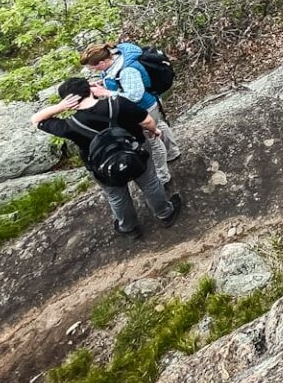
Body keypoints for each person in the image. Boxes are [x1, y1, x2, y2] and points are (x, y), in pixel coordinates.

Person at [30, 76, 182, 239]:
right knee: (150, 182)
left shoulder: (69, 125)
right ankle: (165, 214)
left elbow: (35, 119)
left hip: (101, 165)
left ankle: (129, 228)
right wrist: (154, 131)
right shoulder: (118, 103)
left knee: (116, 196)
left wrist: (60, 107)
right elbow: (147, 121)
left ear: (69, 101)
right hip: (135, 151)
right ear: (89, 90)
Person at [80, 41, 178, 188]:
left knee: (152, 142)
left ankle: (162, 177)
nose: (92, 70)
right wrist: (103, 83)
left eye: (93, 67)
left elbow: (134, 96)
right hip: (150, 105)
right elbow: (117, 81)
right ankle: (173, 152)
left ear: (102, 62)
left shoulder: (127, 71)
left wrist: (107, 93)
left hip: (145, 107)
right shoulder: (116, 59)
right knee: (159, 126)